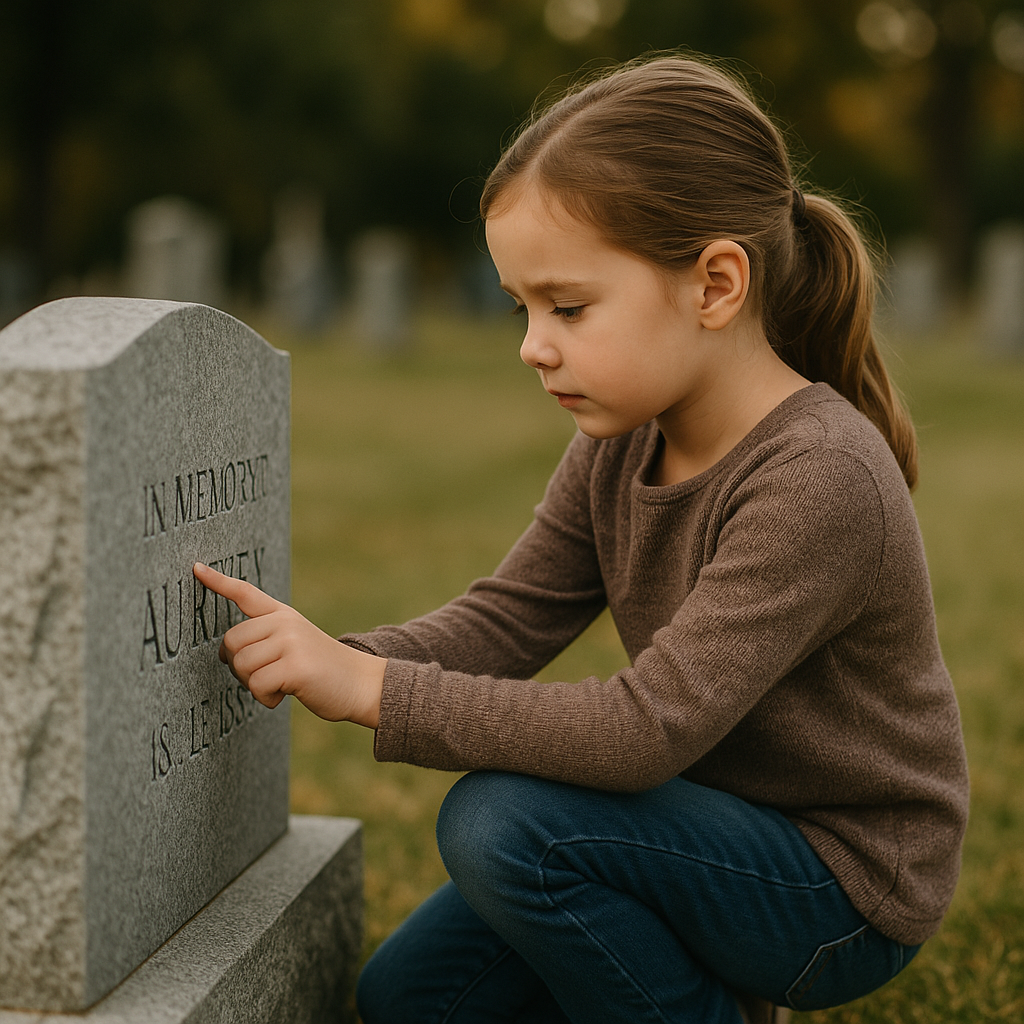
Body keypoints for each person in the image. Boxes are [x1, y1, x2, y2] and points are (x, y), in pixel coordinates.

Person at [193, 55, 969, 1024]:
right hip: (692, 835)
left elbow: (648, 731)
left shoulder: (819, 476)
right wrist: (339, 657)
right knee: (414, 1001)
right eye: (522, 307)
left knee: (504, 821)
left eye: (567, 306)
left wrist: (376, 693)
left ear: (716, 283)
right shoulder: (621, 439)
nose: (532, 344)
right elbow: (510, 615)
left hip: (834, 889)